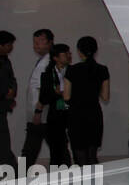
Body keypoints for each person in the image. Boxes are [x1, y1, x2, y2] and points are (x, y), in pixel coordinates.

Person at [62, 36, 110, 166]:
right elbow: (105, 97)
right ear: (95, 50)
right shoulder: (102, 70)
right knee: (92, 156)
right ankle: (95, 184)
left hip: (76, 115)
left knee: (80, 156)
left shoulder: (71, 70)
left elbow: (66, 96)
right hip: (94, 114)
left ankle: (83, 184)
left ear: (79, 51)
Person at [21, 28, 53, 169]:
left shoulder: (50, 62)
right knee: (32, 148)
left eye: (40, 41)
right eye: (34, 42)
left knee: (31, 148)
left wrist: (38, 111)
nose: (36, 45)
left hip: (43, 114)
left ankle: (19, 176)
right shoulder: (43, 61)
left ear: (50, 42)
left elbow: (44, 90)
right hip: (40, 113)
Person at [38, 43, 73, 166]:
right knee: (57, 150)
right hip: (56, 116)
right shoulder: (47, 75)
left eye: (69, 53)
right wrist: (56, 93)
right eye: (65, 54)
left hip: (72, 113)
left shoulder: (74, 72)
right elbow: (43, 98)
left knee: (73, 147)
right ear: (55, 57)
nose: (69, 56)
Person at [0, 30, 18, 172]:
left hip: (3, 106)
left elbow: (12, 79)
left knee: (4, 140)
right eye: (9, 45)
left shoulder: (6, 60)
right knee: (3, 141)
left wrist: (12, 92)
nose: (11, 48)